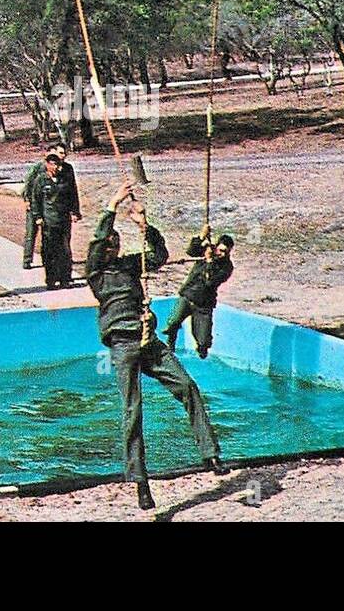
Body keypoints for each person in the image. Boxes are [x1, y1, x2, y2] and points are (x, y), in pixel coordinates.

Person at [86, 181, 225, 509]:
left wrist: (145, 226)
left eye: (115, 243)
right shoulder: (96, 274)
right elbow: (94, 244)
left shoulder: (129, 266)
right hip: (123, 344)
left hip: (149, 341)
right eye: (109, 244)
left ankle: (210, 455)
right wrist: (112, 204)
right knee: (133, 410)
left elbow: (159, 255)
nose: (112, 248)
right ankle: (140, 481)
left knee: (188, 386)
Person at [163, 228, 235, 359]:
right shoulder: (207, 250)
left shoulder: (227, 267)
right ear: (216, 246)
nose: (222, 254)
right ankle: (171, 342)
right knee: (172, 322)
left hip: (204, 305)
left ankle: (201, 348)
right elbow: (191, 251)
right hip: (188, 295)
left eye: (226, 252)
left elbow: (209, 281)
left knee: (203, 342)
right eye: (221, 250)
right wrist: (201, 237)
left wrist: (209, 262)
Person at [21, 143, 78, 269]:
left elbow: (72, 190)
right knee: (32, 232)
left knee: (61, 237)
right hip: (36, 204)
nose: (62, 156)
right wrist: (27, 200)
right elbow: (29, 185)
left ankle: (62, 261)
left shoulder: (67, 169)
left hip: (54, 209)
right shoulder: (39, 168)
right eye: (60, 153)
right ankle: (27, 259)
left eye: (64, 153)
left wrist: (74, 211)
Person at [30, 153, 79, 288]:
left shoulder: (65, 179)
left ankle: (65, 278)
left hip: (63, 219)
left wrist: (75, 212)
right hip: (48, 221)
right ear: (47, 164)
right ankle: (51, 279)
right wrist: (38, 217)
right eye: (52, 164)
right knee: (49, 251)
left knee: (65, 250)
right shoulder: (41, 180)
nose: (55, 167)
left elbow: (73, 196)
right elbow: (35, 200)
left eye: (57, 164)